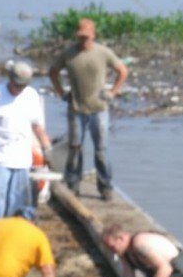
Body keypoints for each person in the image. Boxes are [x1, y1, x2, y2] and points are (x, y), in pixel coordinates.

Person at [48, 18, 128, 200]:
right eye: (80, 36)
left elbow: (123, 71)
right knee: (75, 149)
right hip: (76, 109)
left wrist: (113, 92)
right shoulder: (68, 54)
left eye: (86, 36)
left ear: (93, 35)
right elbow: (53, 72)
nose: (83, 40)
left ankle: (105, 186)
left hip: (99, 109)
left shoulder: (103, 52)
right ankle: (73, 184)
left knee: (101, 150)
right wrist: (61, 92)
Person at [0, 60, 53, 227]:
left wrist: (47, 148)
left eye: (22, 85)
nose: (19, 89)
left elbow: (37, 126)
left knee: (19, 208)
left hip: (22, 162)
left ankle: (14, 244)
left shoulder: (31, 96)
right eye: (16, 85)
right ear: (10, 79)